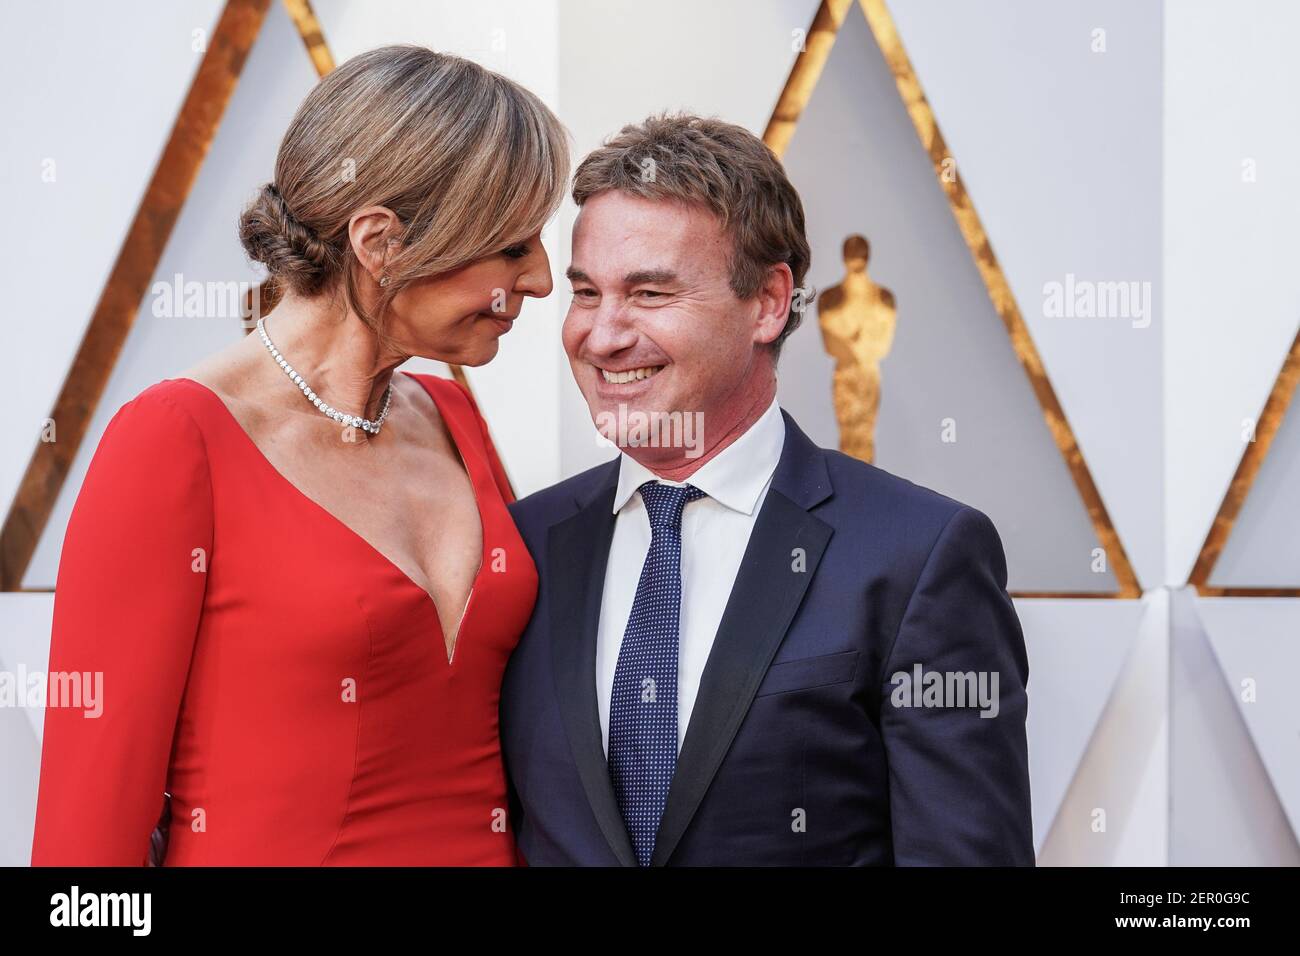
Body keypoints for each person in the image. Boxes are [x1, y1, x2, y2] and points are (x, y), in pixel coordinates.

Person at [30, 45, 568, 865]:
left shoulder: (455, 414)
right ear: (380, 241)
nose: (540, 280)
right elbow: (85, 838)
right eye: (512, 245)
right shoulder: (176, 440)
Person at [500, 114, 1034, 866]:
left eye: (650, 293)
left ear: (769, 303)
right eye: (587, 293)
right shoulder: (521, 547)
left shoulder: (918, 558)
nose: (602, 334)